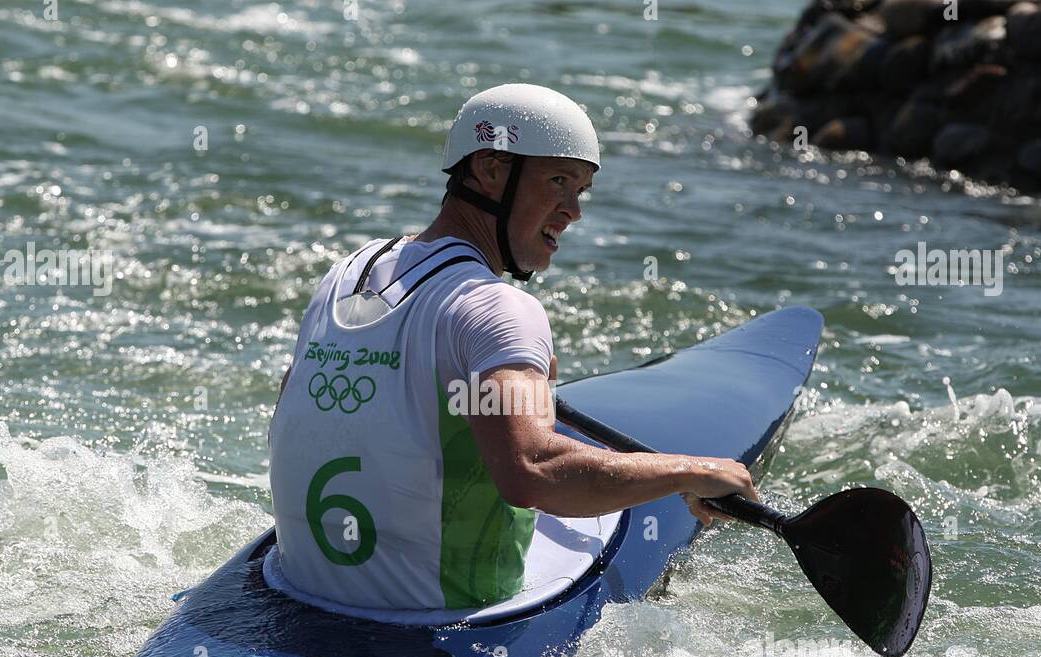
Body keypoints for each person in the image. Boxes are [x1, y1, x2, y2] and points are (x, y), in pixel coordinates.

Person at [269, 83, 756, 612]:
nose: (572, 211)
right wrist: (691, 473)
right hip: (432, 617)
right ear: (491, 169)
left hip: (303, 590)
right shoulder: (496, 307)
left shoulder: (346, 274)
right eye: (558, 181)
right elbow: (533, 471)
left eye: (581, 190)